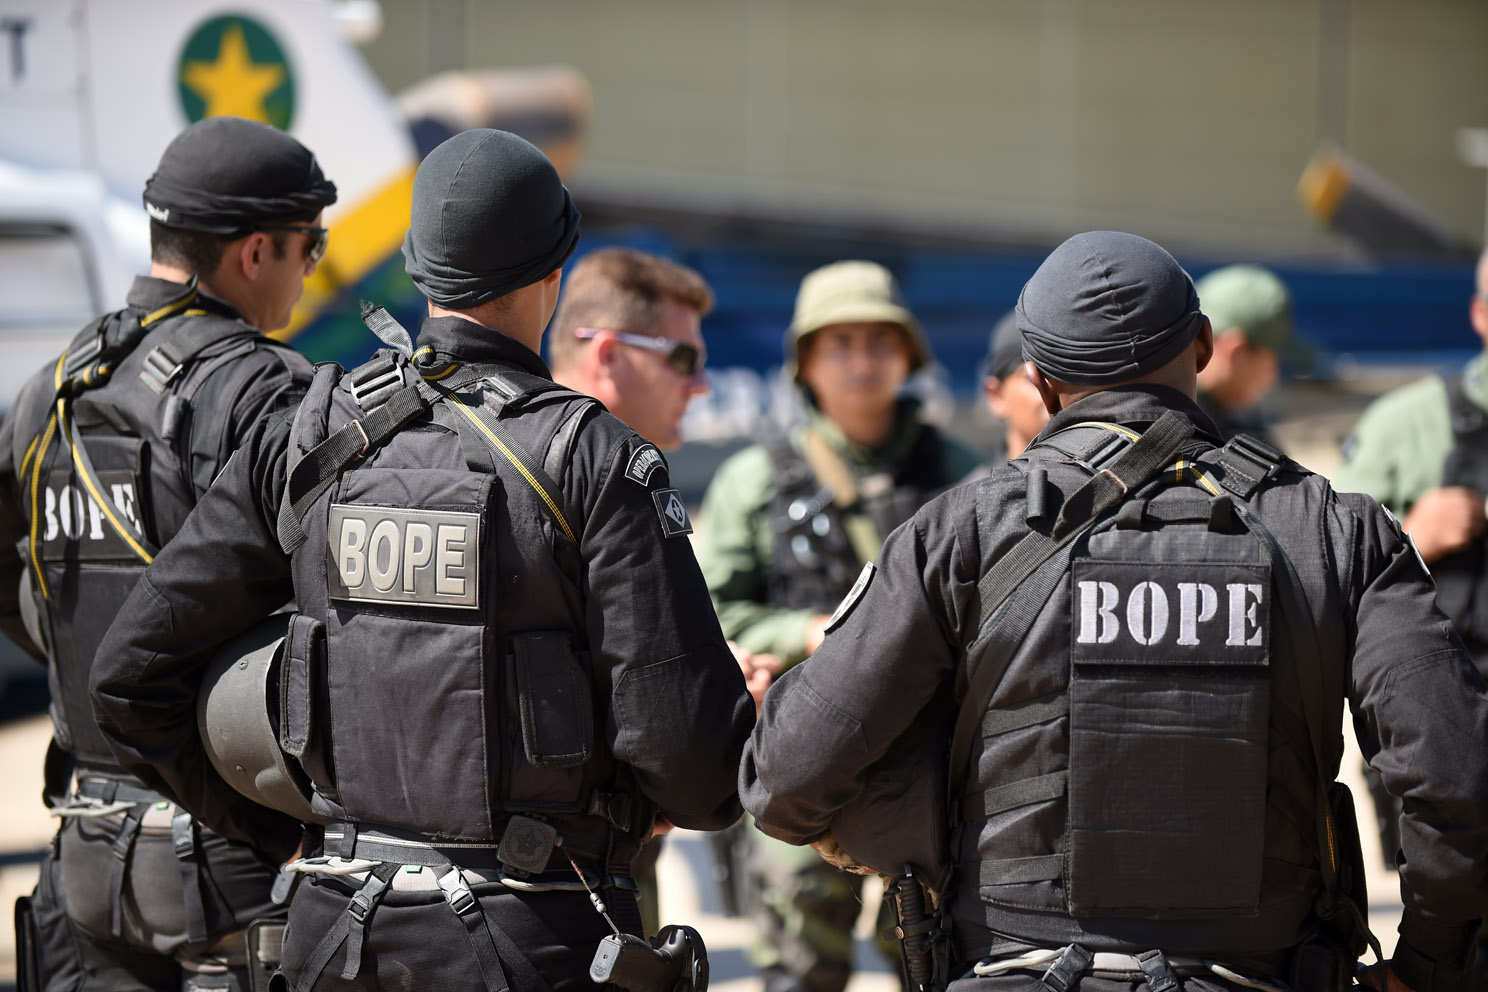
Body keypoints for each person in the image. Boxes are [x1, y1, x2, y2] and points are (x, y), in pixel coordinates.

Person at [88, 128, 753, 992]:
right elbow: (700, 778)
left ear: (420, 270)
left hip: (332, 938)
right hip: (540, 940)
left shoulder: (311, 431)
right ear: (553, 275)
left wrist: (284, 840)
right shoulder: (593, 460)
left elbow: (131, 676)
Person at [740, 231, 1488, 992]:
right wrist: (1427, 968)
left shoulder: (958, 531)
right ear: (1200, 343)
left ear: (1038, 376)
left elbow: (785, 780)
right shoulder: (1336, 529)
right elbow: (1457, 777)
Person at [0, 116, 335, 992]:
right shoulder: (264, 392)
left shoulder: (52, 389)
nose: (312, 272)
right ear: (255, 251)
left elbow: (13, 580)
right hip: (233, 853)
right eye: (312, 245)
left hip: (84, 850)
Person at [695, 259, 979, 992]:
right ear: (806, 363)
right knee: (799, 961)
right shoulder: (756, 481)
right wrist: (807, 638)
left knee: (936, 957)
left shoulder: (961, 475)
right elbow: (714, 616)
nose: (861, 360)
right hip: (808, 758)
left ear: (908, 356)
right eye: (839, 342)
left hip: (933, 762)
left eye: (879, 341)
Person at [547, 244, 776, 934]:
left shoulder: (597, 473)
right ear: (609, 354)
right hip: (554, 901)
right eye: (682, 358)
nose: (700, 384)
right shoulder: (589, 479)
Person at [1192, 264, 1296, 444]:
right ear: (1236, 351)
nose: (1275, 378)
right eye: (1274, 361)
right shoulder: (1221, 443)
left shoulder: (1141, 408)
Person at [968, 312, 1050, 478]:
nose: (1057, 392)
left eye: (1067, 377)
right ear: (996, 396)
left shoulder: (1109, 486)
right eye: (1035, 379)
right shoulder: (971, 499)